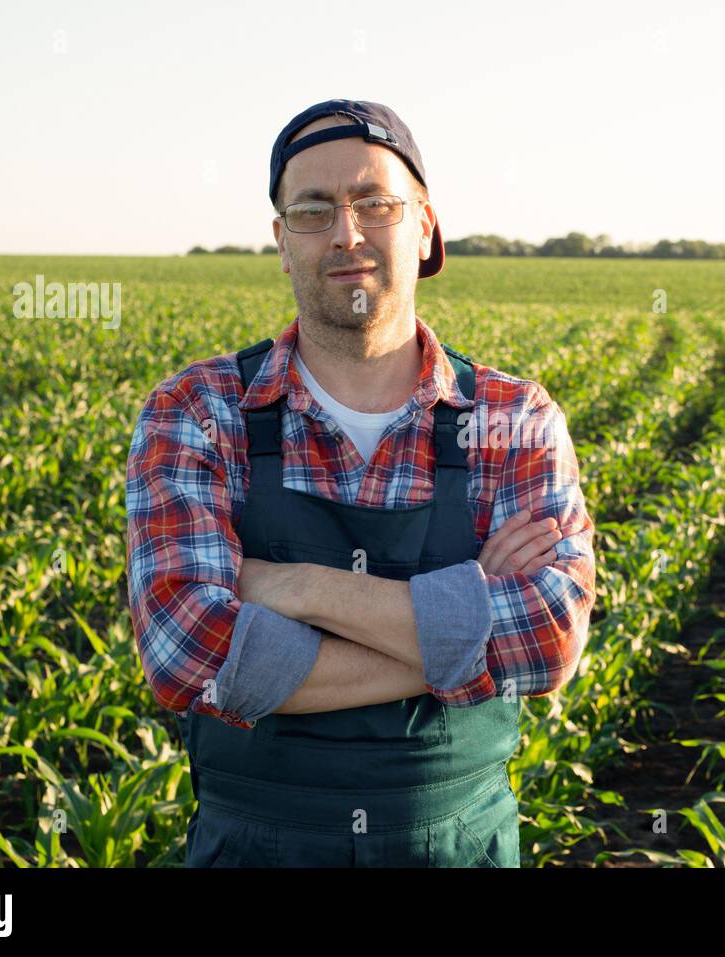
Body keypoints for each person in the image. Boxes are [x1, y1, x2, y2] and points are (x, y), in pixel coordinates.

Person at [124, 99, 596, 867]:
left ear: (426, 227)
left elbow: (548, 638)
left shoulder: (514, 416)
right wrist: (472, 616)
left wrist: (295, 589)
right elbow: (187, 652)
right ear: (280, 242)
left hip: (459, 847)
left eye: (376, 203)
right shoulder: (199, 410)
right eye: (312, 211)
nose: (347, 234)